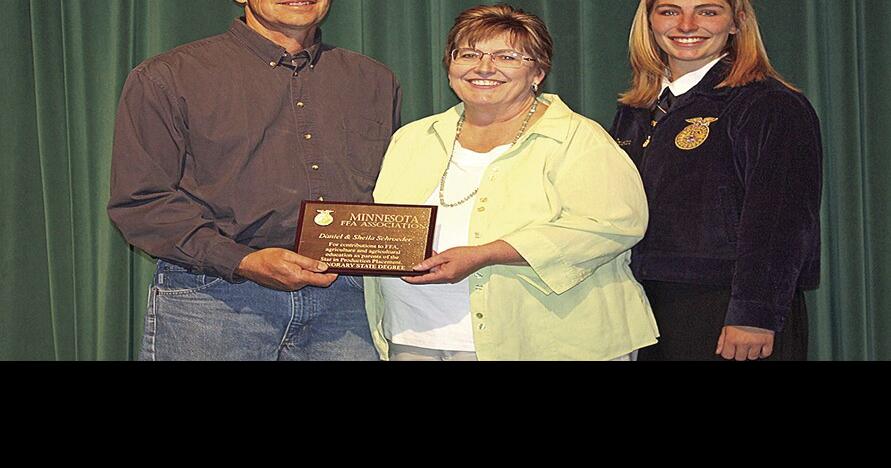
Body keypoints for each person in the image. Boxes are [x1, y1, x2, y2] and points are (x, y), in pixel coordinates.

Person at [107, 0, 401, 360]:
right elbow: (141, 202)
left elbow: (395, 192)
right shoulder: (167, 77)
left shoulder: (374, 80)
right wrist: (243, 261)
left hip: (346, 302)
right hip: (213, 301)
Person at [363, 4, 659, 361]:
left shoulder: (578, 138)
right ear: (450, 66)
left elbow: (614, 225)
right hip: (413, 336)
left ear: (538, 72)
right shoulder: (412, 138)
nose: (484, 68)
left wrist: (488, 253)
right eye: (469, 54)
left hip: (546, 343)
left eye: (507, 56)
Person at [610, 0, 822, 361]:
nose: (687, 24)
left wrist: (754, 314)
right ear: (649, 22)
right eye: (669, 11)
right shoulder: (636, 111)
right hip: (646, 303)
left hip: (725, 308)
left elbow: (781, 221)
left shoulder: (769, 104)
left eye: (708, 11)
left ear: (737, 22)